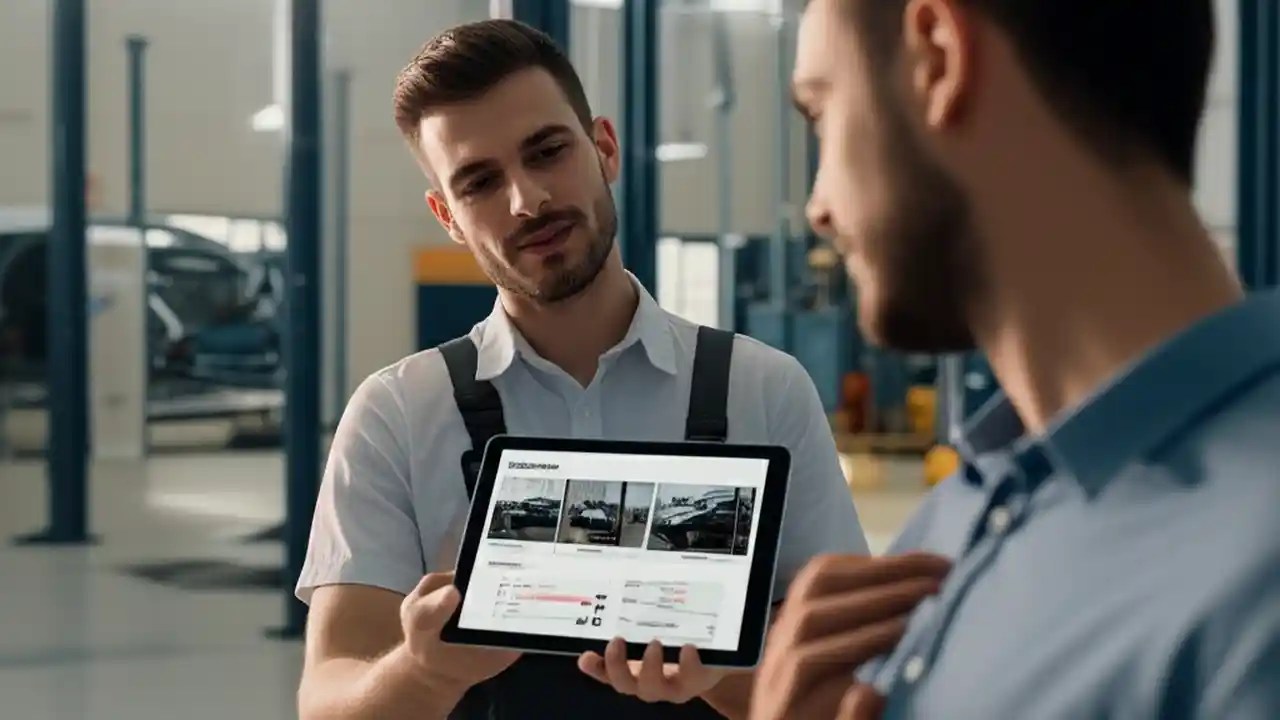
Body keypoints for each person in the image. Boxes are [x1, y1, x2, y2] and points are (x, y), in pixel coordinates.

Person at [294, 18, 873, 720]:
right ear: (447, 216)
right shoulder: (396, 415)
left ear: (604, 148)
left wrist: (716, 673)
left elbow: (847, 692)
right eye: (480, 182)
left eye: (547, 151)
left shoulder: (765, 390)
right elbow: (327, 701)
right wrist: (423, 670)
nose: (527, 200)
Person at [752, 0, 1280, 718]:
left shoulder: (1255, 587)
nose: (818, 206)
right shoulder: (954, 522)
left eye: (820, 111)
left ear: (936, 56)